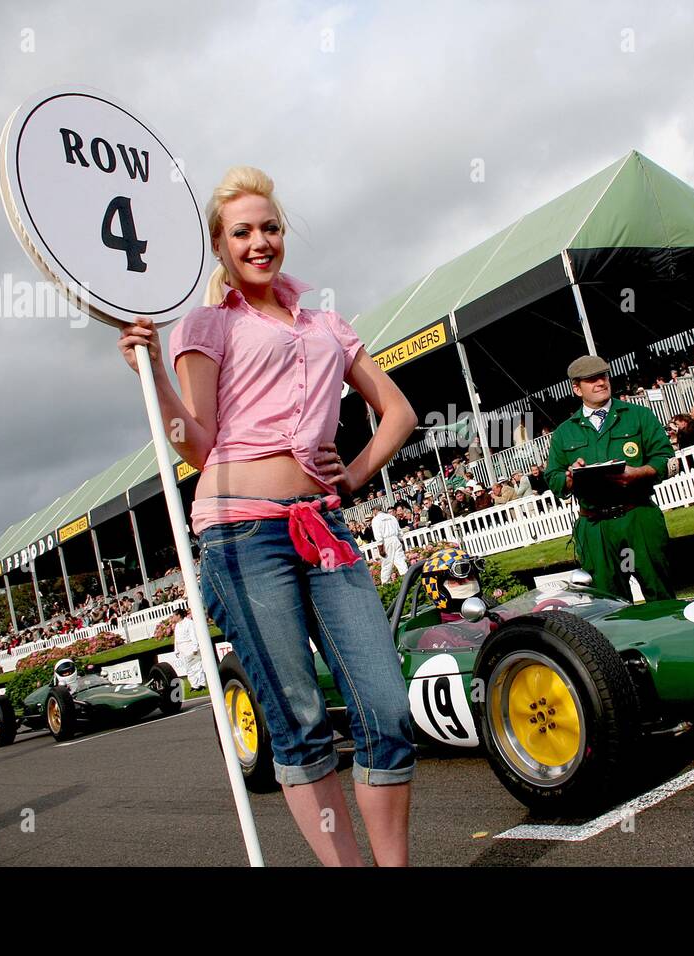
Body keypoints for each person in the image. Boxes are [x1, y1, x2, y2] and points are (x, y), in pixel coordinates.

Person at [117, 165, 416, 867]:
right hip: (240, 531)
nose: (260, 241)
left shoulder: (327, 324)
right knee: (301, 720)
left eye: (270, 227)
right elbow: (196, 441)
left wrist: (359, 470)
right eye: (242, 231)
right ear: (220, 247)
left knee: (387, 711)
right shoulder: (206, 325)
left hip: (324, 528)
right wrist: (153, 371)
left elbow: (397, 411)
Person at [545, 355, 675, 602]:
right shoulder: (564, 432)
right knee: (609, 604)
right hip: (595, 527)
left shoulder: (638, 415)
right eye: (591, 380)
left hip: (637, 517)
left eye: (603, 376)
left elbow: (666, 460)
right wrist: (571, 477)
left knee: (659, 591)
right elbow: (553, 478)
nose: (600, 383)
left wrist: (640, 473)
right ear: (576, 388)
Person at [371, 502, 409, 584]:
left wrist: (380, 549)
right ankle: (408, 580)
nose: (373, 512)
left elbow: (378, 536)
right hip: (395, 539)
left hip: (386, 541)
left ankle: (385, 584)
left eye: (373, 510)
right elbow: (399, 531)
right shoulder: (391, 517)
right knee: (400, 561)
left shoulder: (376, 520)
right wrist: (400, 541)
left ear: (376, 510)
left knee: (386, 564)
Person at [172, 607, 205, 690]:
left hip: (189, 646)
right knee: (188, 668)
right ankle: (194, 685)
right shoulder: (177, 626)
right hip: (182, 648)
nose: (173, 617)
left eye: (174, 616)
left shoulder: (189, 623)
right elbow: (176, 638)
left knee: (197, 666)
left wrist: (195, 648)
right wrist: (176, 650)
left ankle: (202, 683)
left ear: (178, 615)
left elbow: (193, 635)